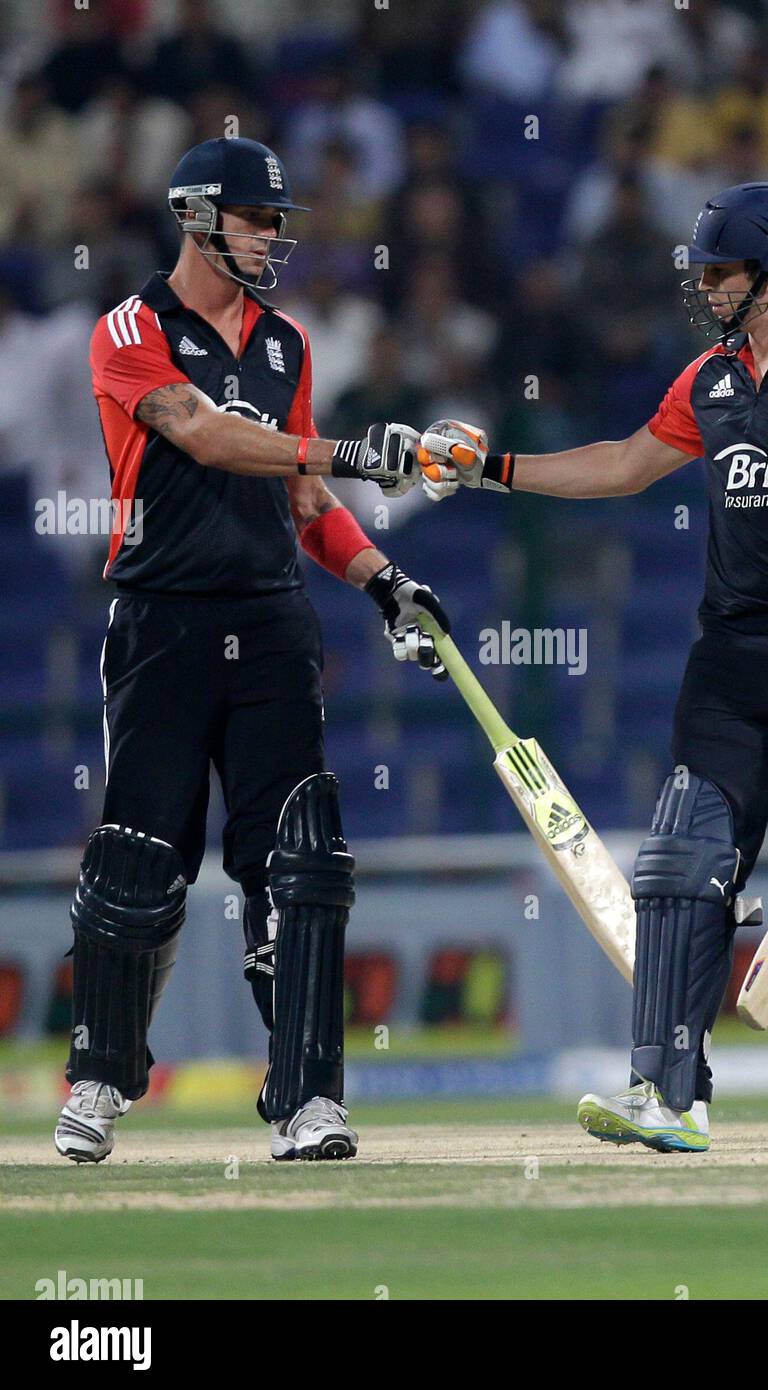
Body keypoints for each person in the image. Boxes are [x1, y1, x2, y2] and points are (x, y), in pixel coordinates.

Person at [418, 182, 768, 1150]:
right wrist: (491, 468)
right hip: (729, 651)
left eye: (721, 271)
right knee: (683, 862)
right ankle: (670, 1093)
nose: (706, 287)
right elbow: (624, 464)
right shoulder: (710, 378)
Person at [55, 136, 455, 1165]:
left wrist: (384, 584)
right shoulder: (130, 329)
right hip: (163, 621)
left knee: (299, 866)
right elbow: (205, 435)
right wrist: (355, 447)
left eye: (278, 221)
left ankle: (310, 1099)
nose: (273, 237)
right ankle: (101, 1079)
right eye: (256, 219)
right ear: (198, 218)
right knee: (142, 862)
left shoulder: (287, 346)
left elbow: (304, 499)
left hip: (275, 625)